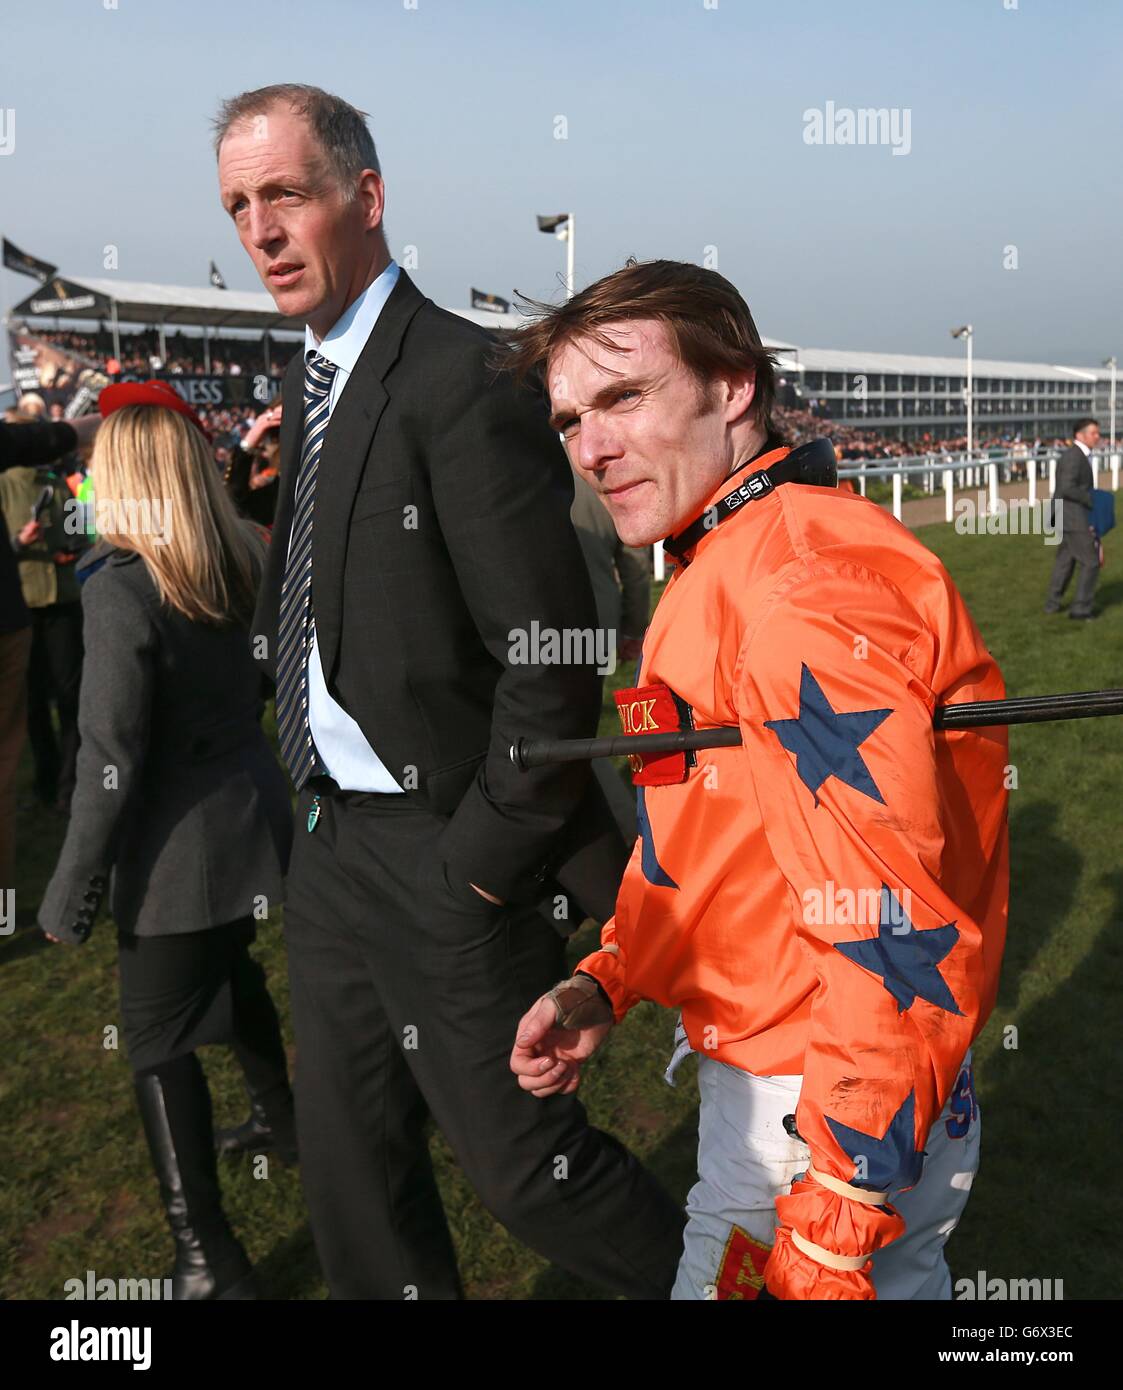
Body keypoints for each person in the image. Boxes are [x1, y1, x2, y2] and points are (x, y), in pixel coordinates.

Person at [214, 82, 683, 1299]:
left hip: (447, 850)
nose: (258, 230)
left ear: (364, 198)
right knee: (348, 1168)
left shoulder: (460, 377)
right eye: (236, 206)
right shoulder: (313, 379)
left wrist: (479, 858)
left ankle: (740, 1284)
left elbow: (554, 646)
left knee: (526, 1170)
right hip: (329, 849)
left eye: (283, 195)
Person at [506, 260, 1009, 1301]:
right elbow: (713, 842)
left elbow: (886, 917)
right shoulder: (726, 558)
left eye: (623, 396)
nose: (591, 449)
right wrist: (612, 974)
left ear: (733, 386)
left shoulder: (795, 585)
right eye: (569, 420)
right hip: (821, 1089)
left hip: (816, 1109)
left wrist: (836, 1204)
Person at [37, 381, 295, 1300]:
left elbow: (109, 757)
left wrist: (68, 894)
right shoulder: (237, 553)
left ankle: (205, 1259)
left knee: (154, 1037)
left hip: (180, 851)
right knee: (233, 978)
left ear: (130, 476)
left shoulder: (119, 587)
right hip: (250, 817)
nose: (89, 478)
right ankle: (285, 1127)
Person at [0, 414, 100, 902]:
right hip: (23, 604)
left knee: (69, 697)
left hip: (60, 603)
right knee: (32, 705)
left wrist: (67, 545)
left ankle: (66, 787)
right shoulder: (5, 481)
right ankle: (44, 784)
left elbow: (81, 531)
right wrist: (23, 543)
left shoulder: (55, 482)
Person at [1044, 417, 1101, 620]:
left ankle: (1052, 604)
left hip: (1067, 514)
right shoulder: (1074, 457)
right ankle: (1080, 609)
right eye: (1094, 433)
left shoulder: (1078, 455)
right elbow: (1067, 487)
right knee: (1091, 561)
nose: (1098, 437)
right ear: (1080, 435)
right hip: (1072, 515)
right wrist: (1091, 499)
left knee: (1065, 561)